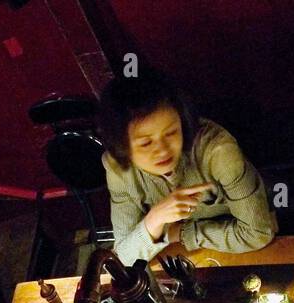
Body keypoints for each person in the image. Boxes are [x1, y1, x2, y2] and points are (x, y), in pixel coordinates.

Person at [98, 69, 276, 266]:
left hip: (241, 250)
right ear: (122, 146)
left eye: (171, 133)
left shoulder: (218, 151)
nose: (162, 150)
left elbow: (258, 233)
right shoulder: (118, 167)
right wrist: (154, 219)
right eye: (146, 143)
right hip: (193, 251)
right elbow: (123, 258)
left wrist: (181, 233)